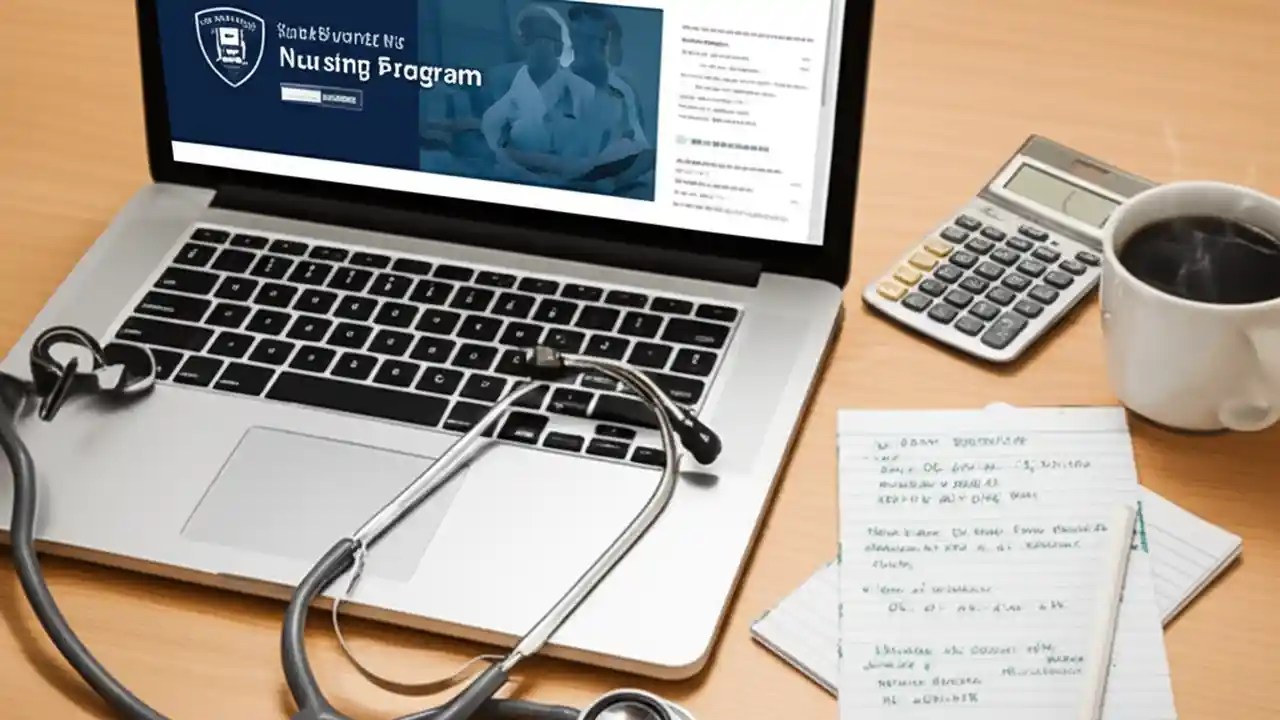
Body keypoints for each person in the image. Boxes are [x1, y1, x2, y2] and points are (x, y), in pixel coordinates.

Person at [479, 4, 595, 183]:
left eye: (543, 37)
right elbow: (495, 148)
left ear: (559, 46)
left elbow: (591, 156)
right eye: (528, 37)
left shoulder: (584, 92)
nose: (536, 45)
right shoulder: (507, 91)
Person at [563, 4, 655, 197]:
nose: (589, 48)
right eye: (581, 38)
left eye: (600, 41)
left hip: (610, 184)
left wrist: (614, 183)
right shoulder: (555, 84)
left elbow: (645, 153)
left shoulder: (623, 89)